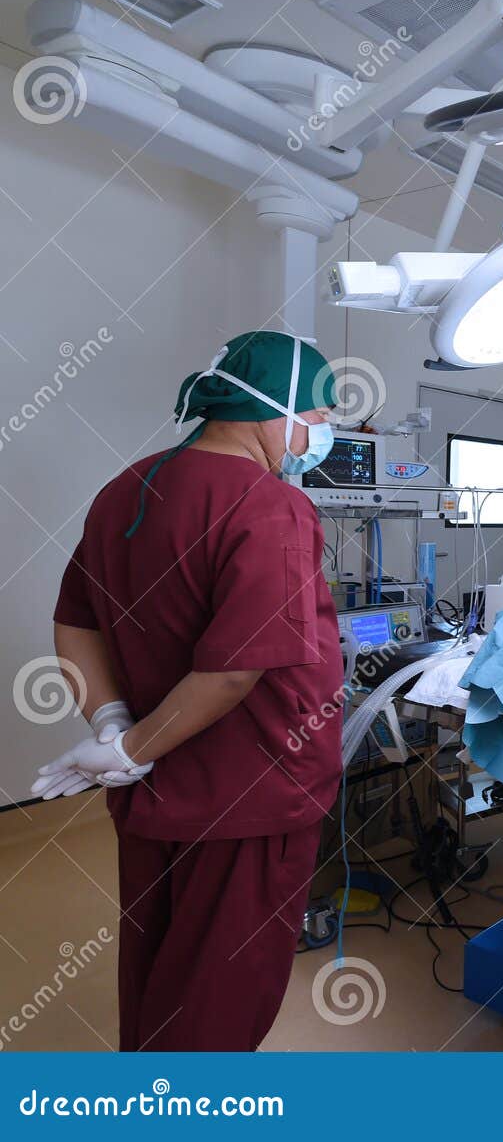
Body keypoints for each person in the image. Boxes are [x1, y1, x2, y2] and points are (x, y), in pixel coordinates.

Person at [33, 330, 343, 1052]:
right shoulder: (271, 506)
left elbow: (73, 623)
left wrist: (114, 727)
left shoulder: (126, 490)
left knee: (157, 970)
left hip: (156, 794)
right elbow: (235, 669)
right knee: (217, 1001)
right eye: (320, 417)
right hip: (253, 794)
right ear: (275, 409)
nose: (321, 435)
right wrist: (131, 746)